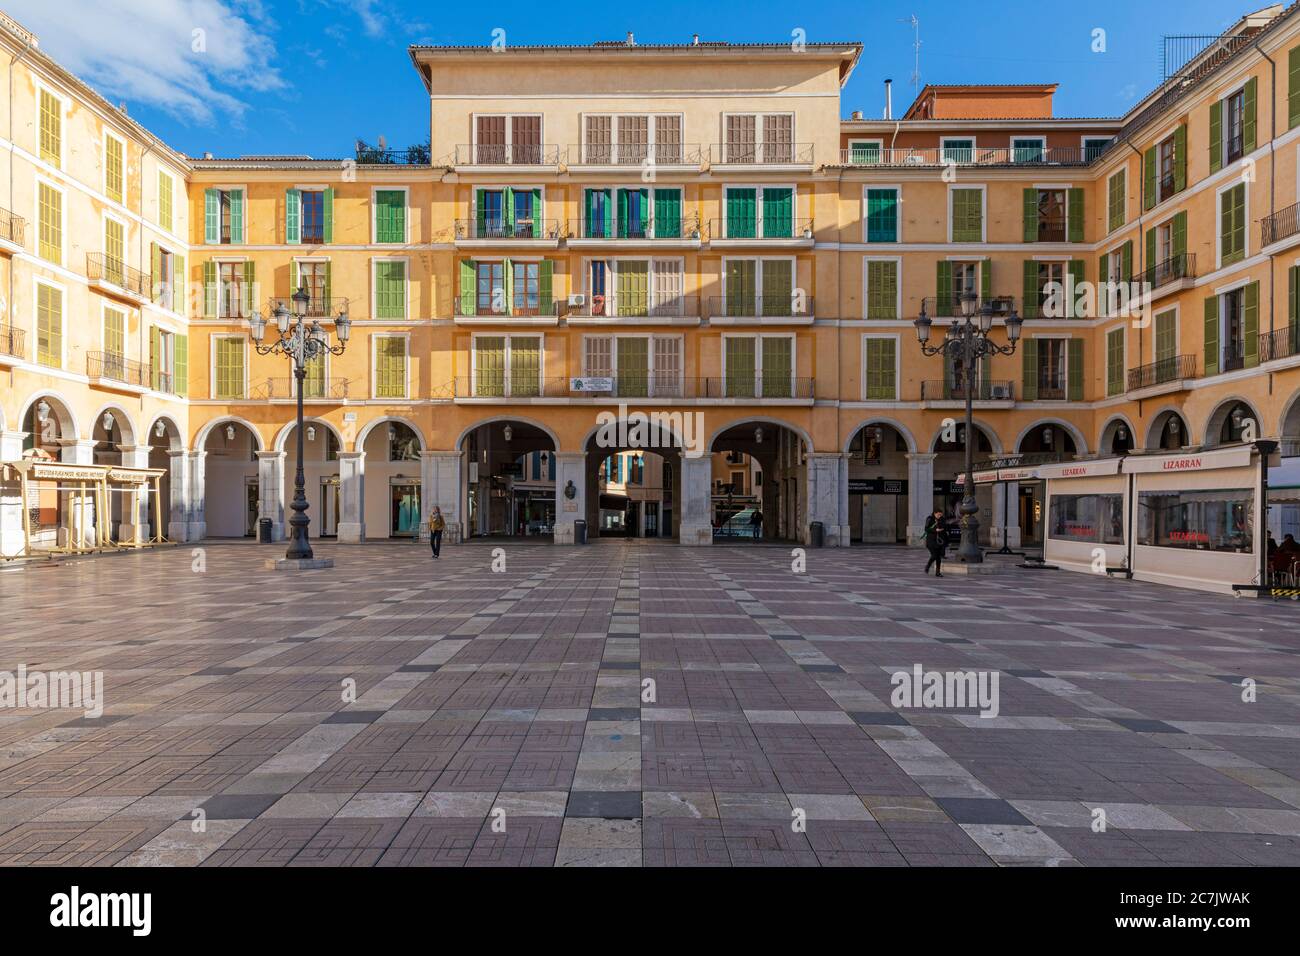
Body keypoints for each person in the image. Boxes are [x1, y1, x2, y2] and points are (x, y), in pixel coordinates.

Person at [924, 509, 947, 577]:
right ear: (934, 513)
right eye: (938, 514)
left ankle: (938, 572)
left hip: (939, 541)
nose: (939, 516)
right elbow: (926, 529)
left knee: (938, 558)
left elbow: (945, 527)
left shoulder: (942, 519)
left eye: (941, 515)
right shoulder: (930, 519)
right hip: (931, 541)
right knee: (934, 555)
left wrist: (942, 528)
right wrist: (935, 530)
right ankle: (928, 566)